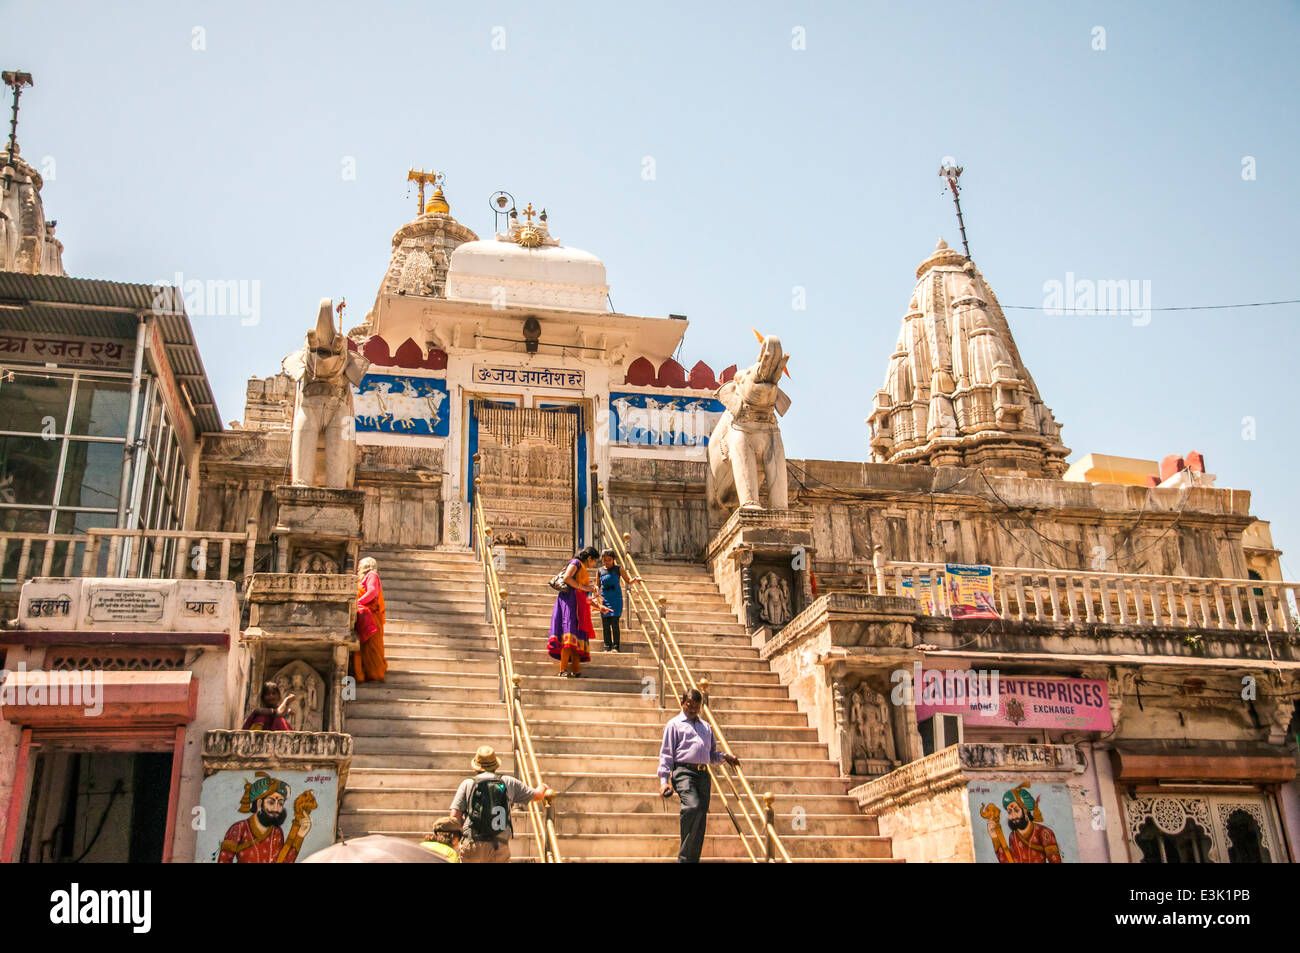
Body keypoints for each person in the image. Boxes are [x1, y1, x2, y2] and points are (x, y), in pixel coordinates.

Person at [657, 688, 740, 863]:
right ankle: (684, 859)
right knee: (692, 807)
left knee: (700, 818)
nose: (693, 709)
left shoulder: (706, 727)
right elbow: (666, 754)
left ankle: (692, 860)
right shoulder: (674, 725)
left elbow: (711, 755)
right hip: (684, 772)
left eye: (696, 706)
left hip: (703, 775)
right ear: (682, 703)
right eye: (689, 705)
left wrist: (725, 757)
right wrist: (664, 781)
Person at [450, 746, 549, 863]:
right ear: (495, 765)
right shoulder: (508, 782)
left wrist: (464, 830)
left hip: (473, 844)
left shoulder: (467, 784)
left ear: (476, 765)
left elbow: (454, 816)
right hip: (498, 845)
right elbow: (537, 796)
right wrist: (543, 786)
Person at [547, 545, 604, 677]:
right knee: (569, 634)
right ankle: (563, 670)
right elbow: (567, 578)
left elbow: (583, 595)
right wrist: (584, 587)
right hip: (569, 602)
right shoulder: (576, 563)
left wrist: (599, 606)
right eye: (594, 561)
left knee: (575, 637)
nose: (594, 564)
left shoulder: (582, 568)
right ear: (589, 558)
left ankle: (577, 671)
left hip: (578, 603)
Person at [597, 548, 640, 652]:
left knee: (614, 623)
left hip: (615, 599)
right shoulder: (599, 571)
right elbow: (597, 586)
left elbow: (628, 580)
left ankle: (616, 647)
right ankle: (607, 646)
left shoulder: (618, 569)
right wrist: (597, 600)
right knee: (606, 623)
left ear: (613, 559)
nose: (607, 562)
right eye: (605, 560)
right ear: (602, 560)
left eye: (609, 560)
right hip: (604, 598)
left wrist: (635, 579)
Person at [353, 556, 388, 683]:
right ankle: (364, 674)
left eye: (360, 564)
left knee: (372, 647)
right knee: (364, 647)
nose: (357, 567)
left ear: (367, 566)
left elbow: (372, 592)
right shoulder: (362, 579)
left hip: (371, 616)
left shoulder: (372, 575)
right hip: (364, 614)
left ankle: (376, 674)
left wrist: (358, 602)